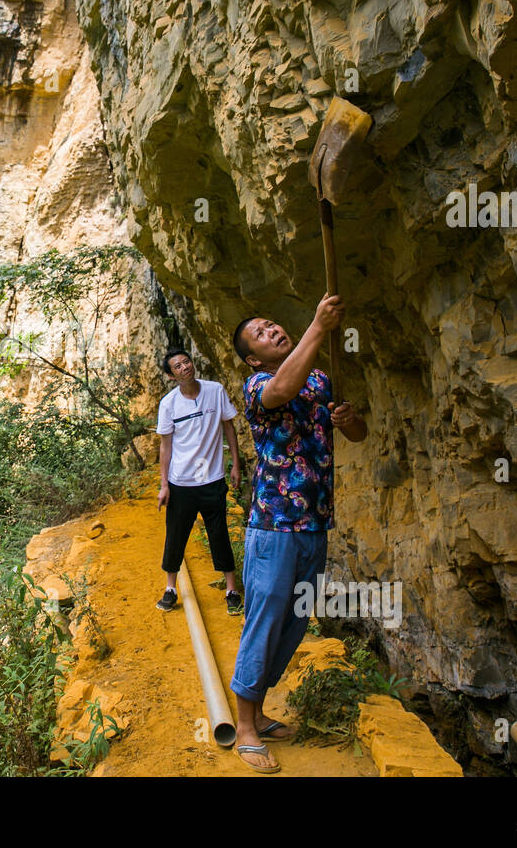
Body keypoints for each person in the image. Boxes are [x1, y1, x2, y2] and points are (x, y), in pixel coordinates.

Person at [227, 295, 368, 773]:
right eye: (262, 334)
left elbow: (357, 434)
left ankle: (259, 711)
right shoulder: (258, 386)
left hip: (315, 522)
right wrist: (319, 326)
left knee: (293, 623)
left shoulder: (322, 379)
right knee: (265, 619)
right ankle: (244, 727)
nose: (273, 331)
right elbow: (283, 391)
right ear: (253, 358)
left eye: (272, 324)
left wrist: (348, 421)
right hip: (274, 523)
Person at [155, 349, 244, 615]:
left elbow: (229, 427)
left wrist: (236, 464)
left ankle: (231, 590)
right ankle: (170, 588)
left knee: (219, 534)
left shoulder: (215, 390)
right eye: (177, 366)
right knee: (176, 535)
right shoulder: (169, 404)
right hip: (181, 482)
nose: (184, 367)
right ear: (172, 376)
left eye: (186, 362)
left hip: (212, 480)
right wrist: (164, 485)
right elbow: (165, 446)